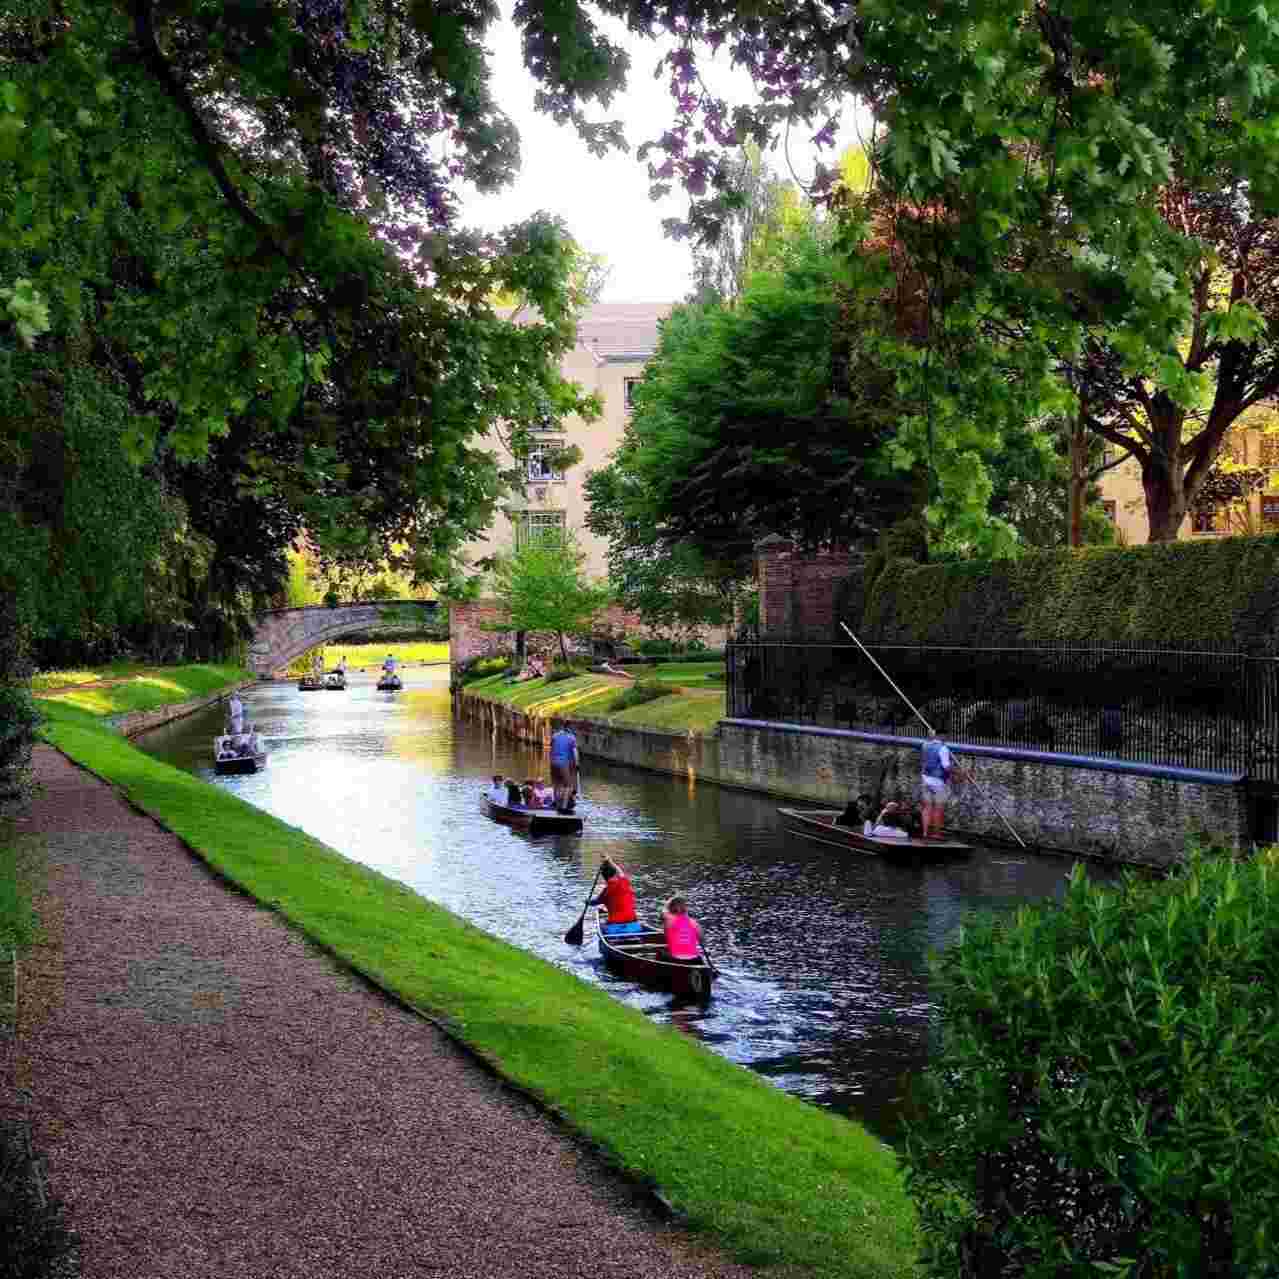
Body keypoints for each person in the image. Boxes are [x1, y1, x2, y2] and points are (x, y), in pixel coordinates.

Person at [589, 859, 641, 935]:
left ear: (604, 877)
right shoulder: (624, 881)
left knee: (602, 927)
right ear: (615, 874)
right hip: (634, 925)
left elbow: (595, 902)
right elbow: (620, 872)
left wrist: (586, 902)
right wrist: (610, 861)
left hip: (614, 927)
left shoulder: (606, 891)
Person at [920, 729, 954, 839]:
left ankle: (925, 832)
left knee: (927, 807)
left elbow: (924, 761)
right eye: (947, 736)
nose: (948, 738)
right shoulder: (943, 748)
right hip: (938, 781)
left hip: (925, 779)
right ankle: (936, 833)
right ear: (943, 736)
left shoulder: (925, 745)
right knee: (938, 808)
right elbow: (946, 766)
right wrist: (957, 771)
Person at [662, 896, 702, 963]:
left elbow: (667, 937)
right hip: (693, 957)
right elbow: (701, 939)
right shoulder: (694, 922)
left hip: (676, 956)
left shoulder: (668, 920)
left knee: (661, 953)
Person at [549, 724, 579, 812]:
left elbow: (551, 748)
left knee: (556, 784)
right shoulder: (572, 737)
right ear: (570, 729)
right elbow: (575, 752)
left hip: (553, 762)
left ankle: (556, 802)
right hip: (563, 762)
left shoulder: (555, 735)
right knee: (568, 786)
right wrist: (577, 765)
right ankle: (564, 807)